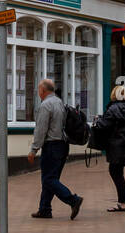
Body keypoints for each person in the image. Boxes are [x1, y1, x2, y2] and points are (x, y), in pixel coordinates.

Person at [27, 78, 83, 220]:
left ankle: (73, 200)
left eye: (39, 89)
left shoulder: (45, 105)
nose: (38, 92)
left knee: (48, 179)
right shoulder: (59, 102)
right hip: (63, 145)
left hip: (52, 146)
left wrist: (34, 149)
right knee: (52, 178)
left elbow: (41, 129)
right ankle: (45, 209)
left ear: (43, 90)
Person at [93, 84, 125, 211]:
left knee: (115, 172)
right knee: (118, 172)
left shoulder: (113, 109)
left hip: (116, 145)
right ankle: (123, 200)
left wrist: (97, 121)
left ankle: (123, 202)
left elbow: (104, 125)